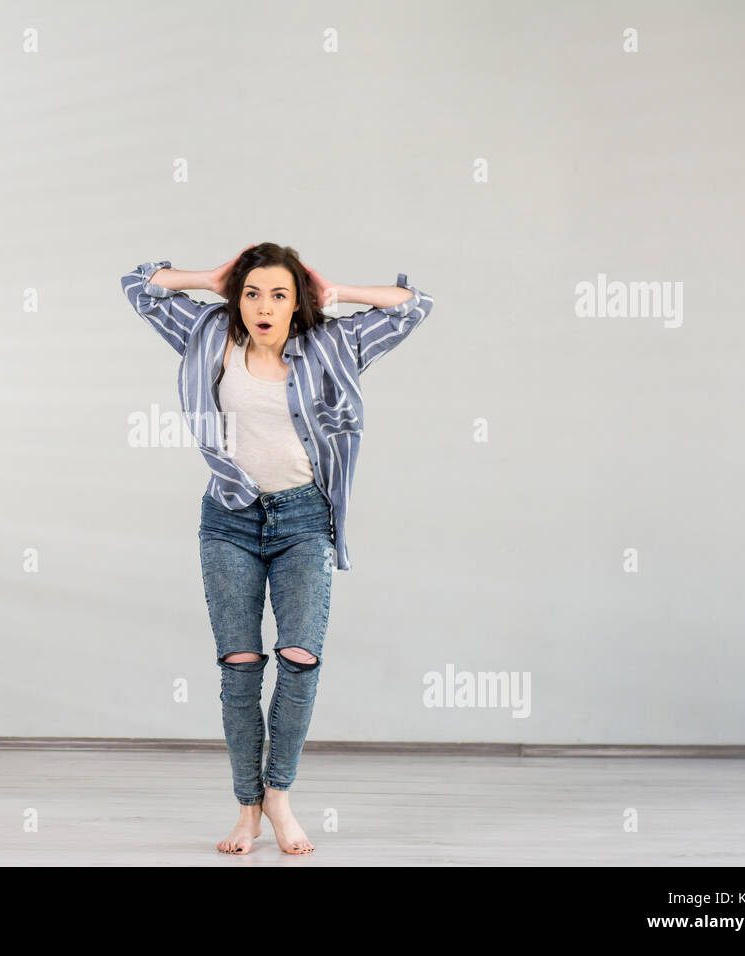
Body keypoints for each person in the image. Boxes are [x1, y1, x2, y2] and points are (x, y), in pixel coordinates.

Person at [120, 243, 434, 854]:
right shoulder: (209, 332)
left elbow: (413, 306)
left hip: (303, 521)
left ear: (299, 302)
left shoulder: (332, 344)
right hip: (229, 518)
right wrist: (209, 279)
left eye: (280, 295)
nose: (264, 307)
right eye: (252, 293)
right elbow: (138, 283)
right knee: (239, 670)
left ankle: (279, 798)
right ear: (238, 298)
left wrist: (337, 292)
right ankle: (246, 810)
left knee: (300, 659)